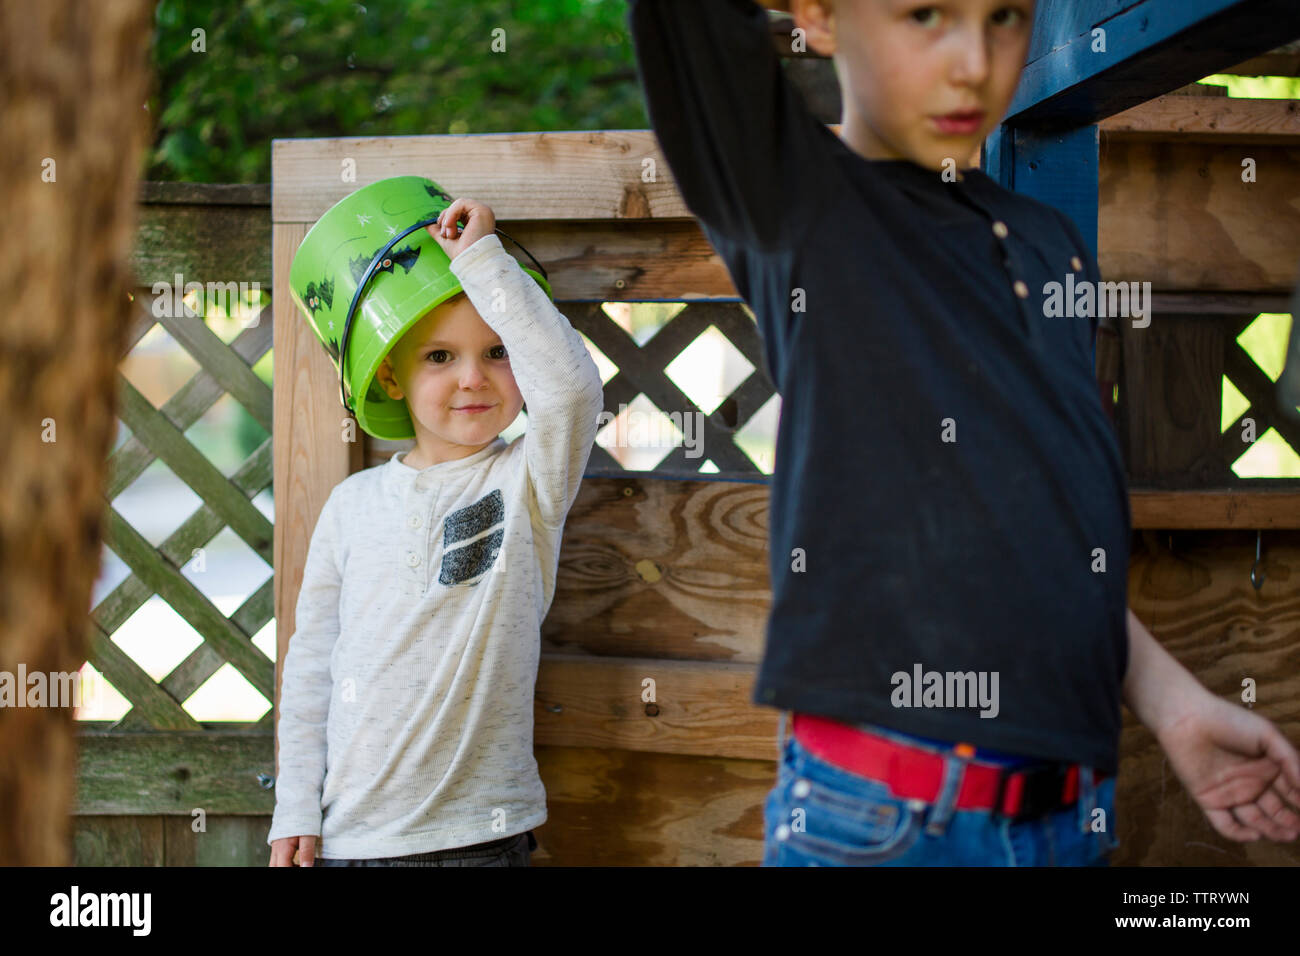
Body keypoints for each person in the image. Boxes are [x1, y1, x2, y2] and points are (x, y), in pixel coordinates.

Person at [626, 0, 1300, 865]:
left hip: (1071, 823)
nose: (974, 61)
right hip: (881, 826)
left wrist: (1174, 705)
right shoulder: (802, 202)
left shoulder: (1050, 244)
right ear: (820, 19)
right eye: (925, 15)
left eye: (1005, 18)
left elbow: (1050, 538)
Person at [268, 179, 604, 866]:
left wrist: (483, 262)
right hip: (349, 839)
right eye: (440, 356)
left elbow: (571, 391)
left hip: (482, 833)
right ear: (391, 376)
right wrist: (296, 803)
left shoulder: (527, 482)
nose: (473, 378)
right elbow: (311, 670)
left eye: (497, 352)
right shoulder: (351, 505)